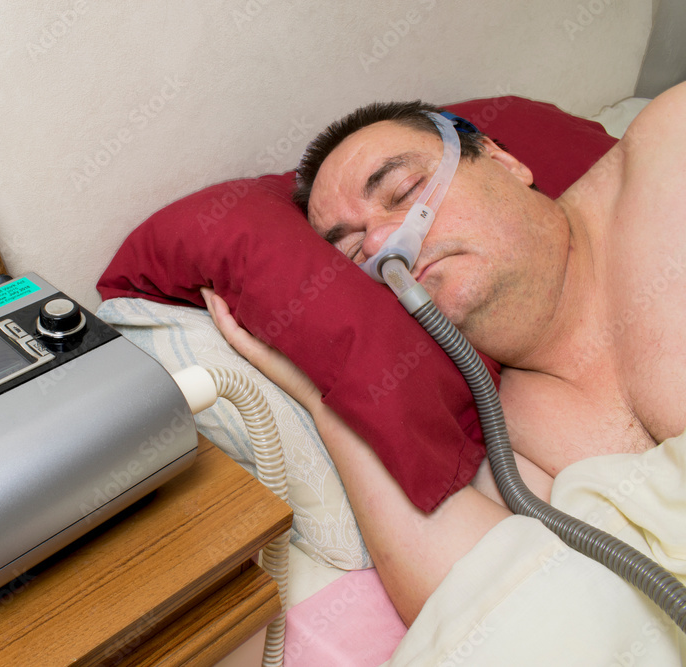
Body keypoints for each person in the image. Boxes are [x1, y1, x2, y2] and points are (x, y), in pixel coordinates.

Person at [201, 82, 686, 627]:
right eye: (354, 250)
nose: (385, 243)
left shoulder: (669, 151)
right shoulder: (504, 438)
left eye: (405, 189)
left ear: (503, 162)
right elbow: (486, 614)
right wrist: (326, 401)